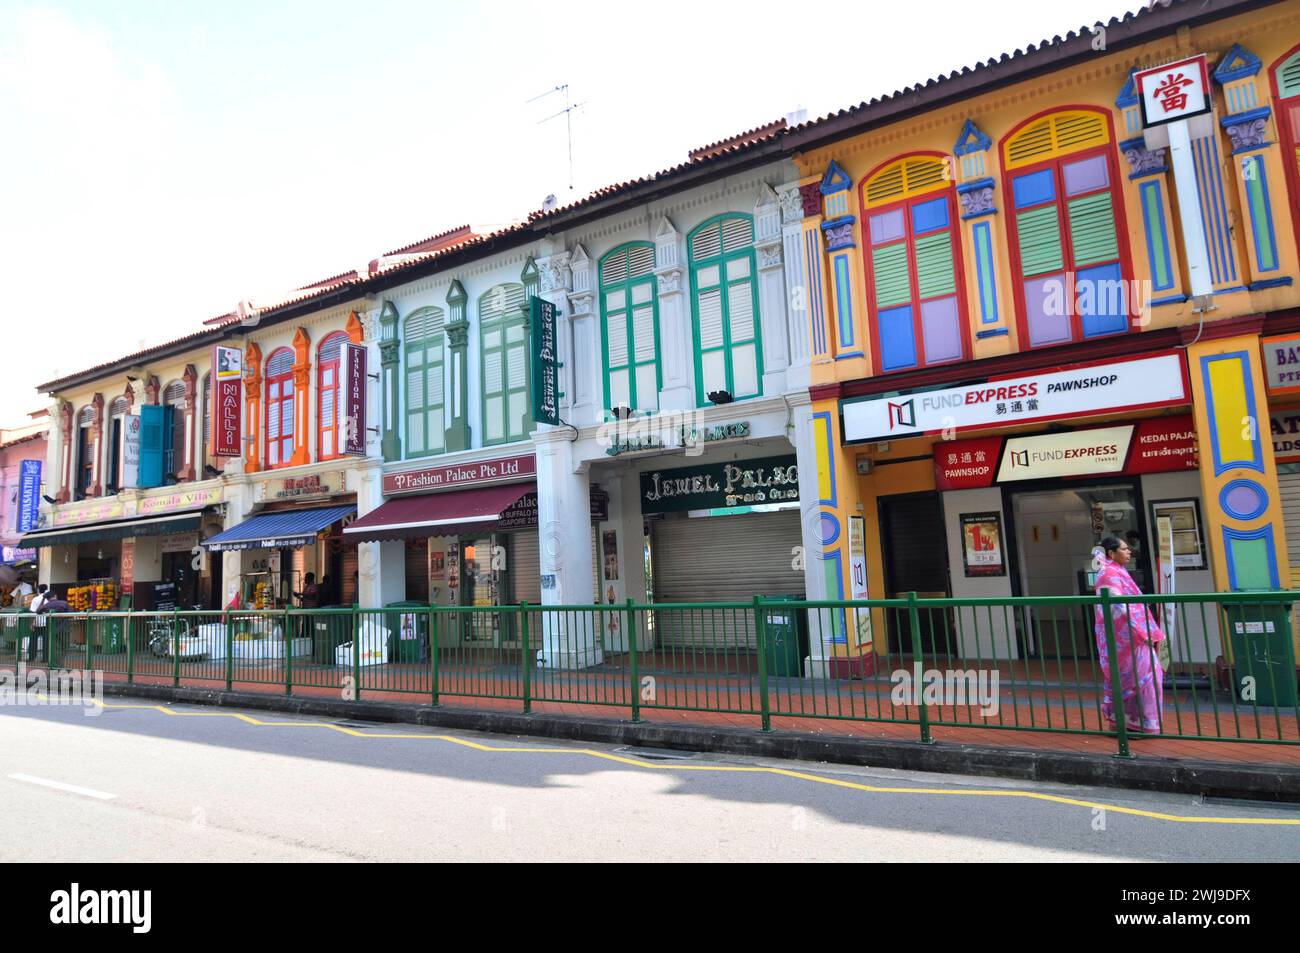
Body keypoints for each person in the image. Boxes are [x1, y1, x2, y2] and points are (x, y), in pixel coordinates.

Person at [1093, 534, 1165, 735]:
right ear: (1111, 553)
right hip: (1125, 638)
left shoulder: (1117, 571)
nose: (1129, 551)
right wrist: (1140, 631)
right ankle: (1135, 725)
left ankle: (1130, 723)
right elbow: (1116, 607)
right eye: (1124, 549)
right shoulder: (1109, 574)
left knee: (1143, 677)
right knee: (1144, 677)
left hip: (1130, 637)